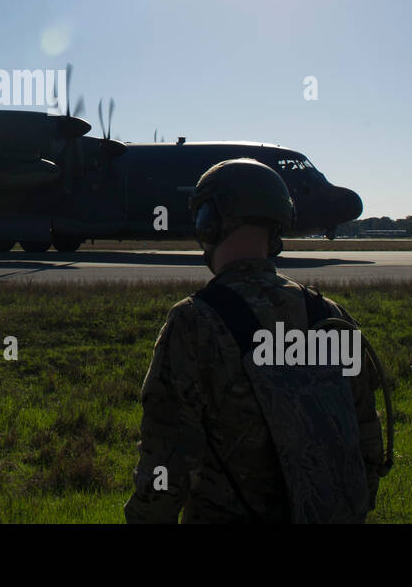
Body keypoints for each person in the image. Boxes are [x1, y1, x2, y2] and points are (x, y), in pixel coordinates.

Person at [125, 158, 389, 523]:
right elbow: (368, 443)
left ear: (209, 223)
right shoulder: (329, 316)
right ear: (278, 226)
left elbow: (166, 460)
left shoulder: (193, 322)